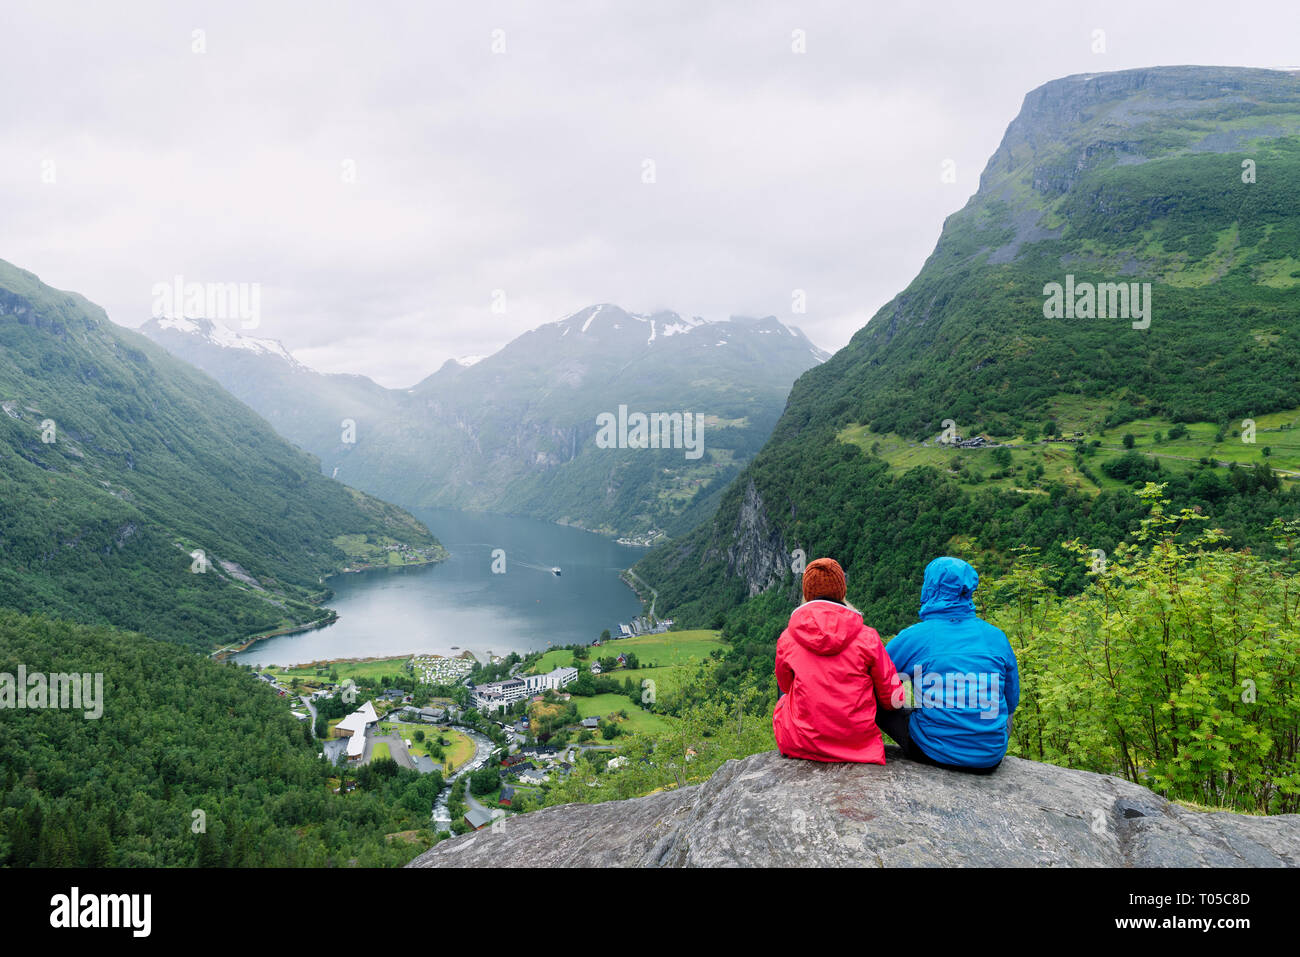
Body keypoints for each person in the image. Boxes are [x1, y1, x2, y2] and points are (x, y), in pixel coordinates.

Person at [877, 556, 1019, 774]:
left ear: (929, 588)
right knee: (1002, 709)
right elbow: (1011, 701)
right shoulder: (996, 637)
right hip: (990, 757)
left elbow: (876, 676)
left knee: (878, 699)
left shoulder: (914, 637)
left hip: (931, 752)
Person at [773, 558, 904, 764]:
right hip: (859, 746)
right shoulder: (867, 636)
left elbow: (785, 687)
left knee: (784, 692)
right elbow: (892, 699)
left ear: (806, 594)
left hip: (802, 744)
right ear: (842, 591)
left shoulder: (787, 637)